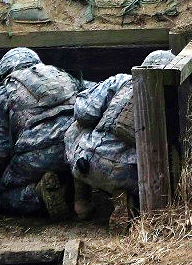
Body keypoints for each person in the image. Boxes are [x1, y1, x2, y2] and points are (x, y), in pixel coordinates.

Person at [65, 50, 175, 229]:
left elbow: (84, 113)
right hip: (140, 177)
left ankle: (82, 203)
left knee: (74, 128)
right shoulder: (174, 99)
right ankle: (126, 199)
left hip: (90, 164)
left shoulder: (121, 81)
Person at [0, 48, 80, 218]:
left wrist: (1, 172)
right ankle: (73, 195)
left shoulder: (2, 92)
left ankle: (38, 194)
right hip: (74, 147)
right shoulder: (64, 76)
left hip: (34, 154)